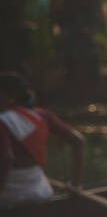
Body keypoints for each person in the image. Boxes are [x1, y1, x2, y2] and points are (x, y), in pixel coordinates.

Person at [0, 72, 84, 205]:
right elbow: (78, 141)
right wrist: (75, 186)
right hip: (41, 191)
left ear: (11, 96)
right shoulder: (43, 115)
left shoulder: (2, 121)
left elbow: (6, 159)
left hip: (10, 196)